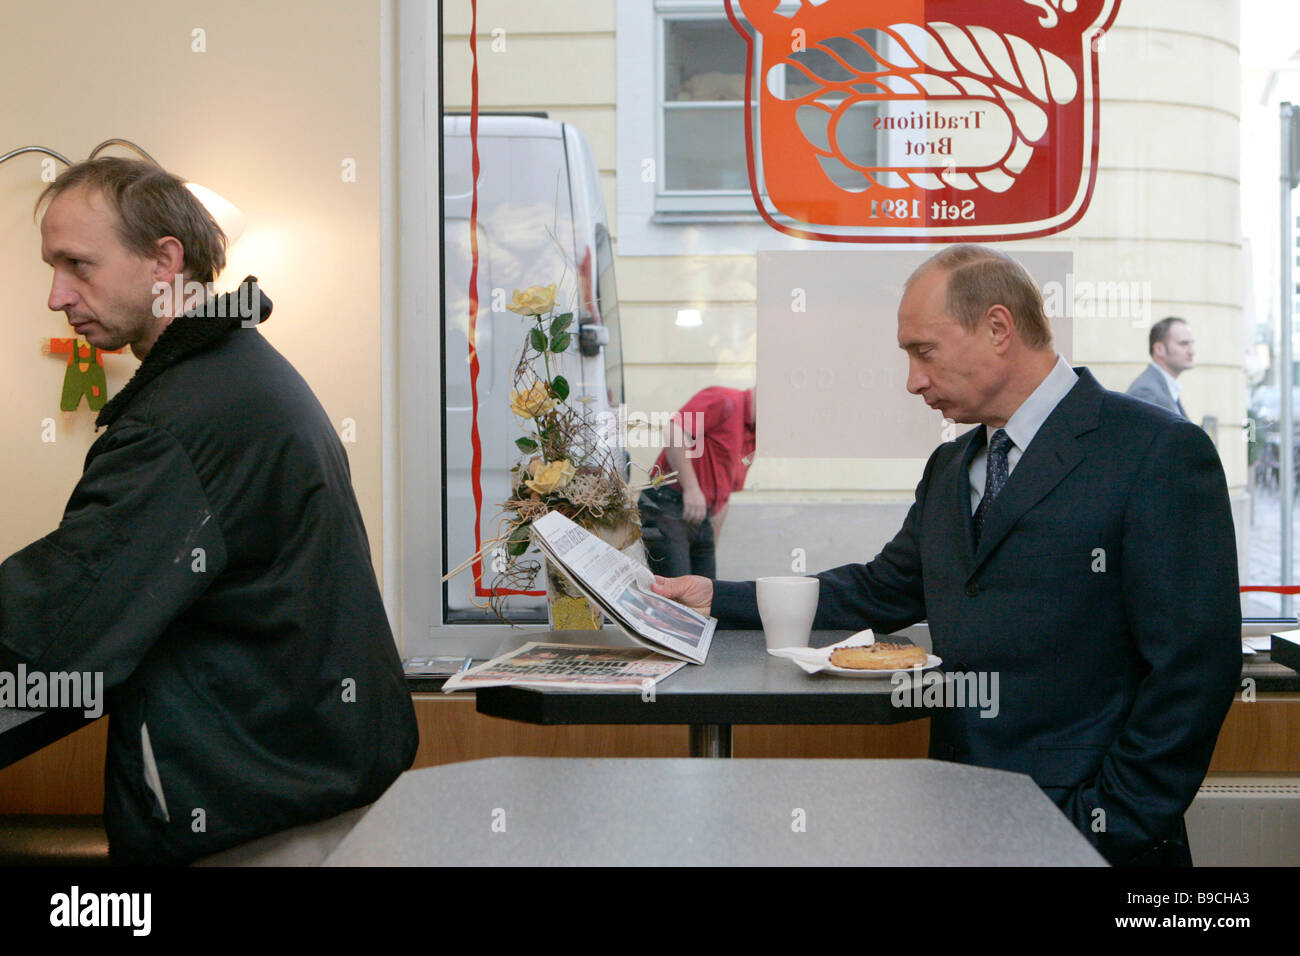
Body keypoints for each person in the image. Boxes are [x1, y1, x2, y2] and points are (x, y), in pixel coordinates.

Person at [654, 245, 1241, 866]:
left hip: (1093, 836)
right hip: (960, 820)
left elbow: (1194, 671)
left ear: (997, 328)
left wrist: (1106, 823)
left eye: (923, 351)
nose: (913, 381)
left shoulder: (1156, 453)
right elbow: (881, 590)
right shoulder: (951, 465)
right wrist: (716, 596)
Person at [0, 158, 418, 865]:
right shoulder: (236, 372)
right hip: (302, 783)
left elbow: (64, 621)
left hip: (254, 810)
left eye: (77, 264)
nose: (55, 295)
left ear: (166, 260)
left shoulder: (184, 421)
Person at [639, 386, 756, 578]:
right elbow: (674, 431)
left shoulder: (755, 435)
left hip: (703, 518)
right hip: (666, 503)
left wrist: (711, 540)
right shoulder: (724, 399)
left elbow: (725, 496)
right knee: (676, 599)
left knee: (707, 597)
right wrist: (692, 487)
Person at [1126, 315, 1194, 418]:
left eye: (1191, 343)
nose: (1191, 351)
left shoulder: (1163, 386)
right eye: (1183, 344)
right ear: (1159, 349)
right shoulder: (1146, 392)